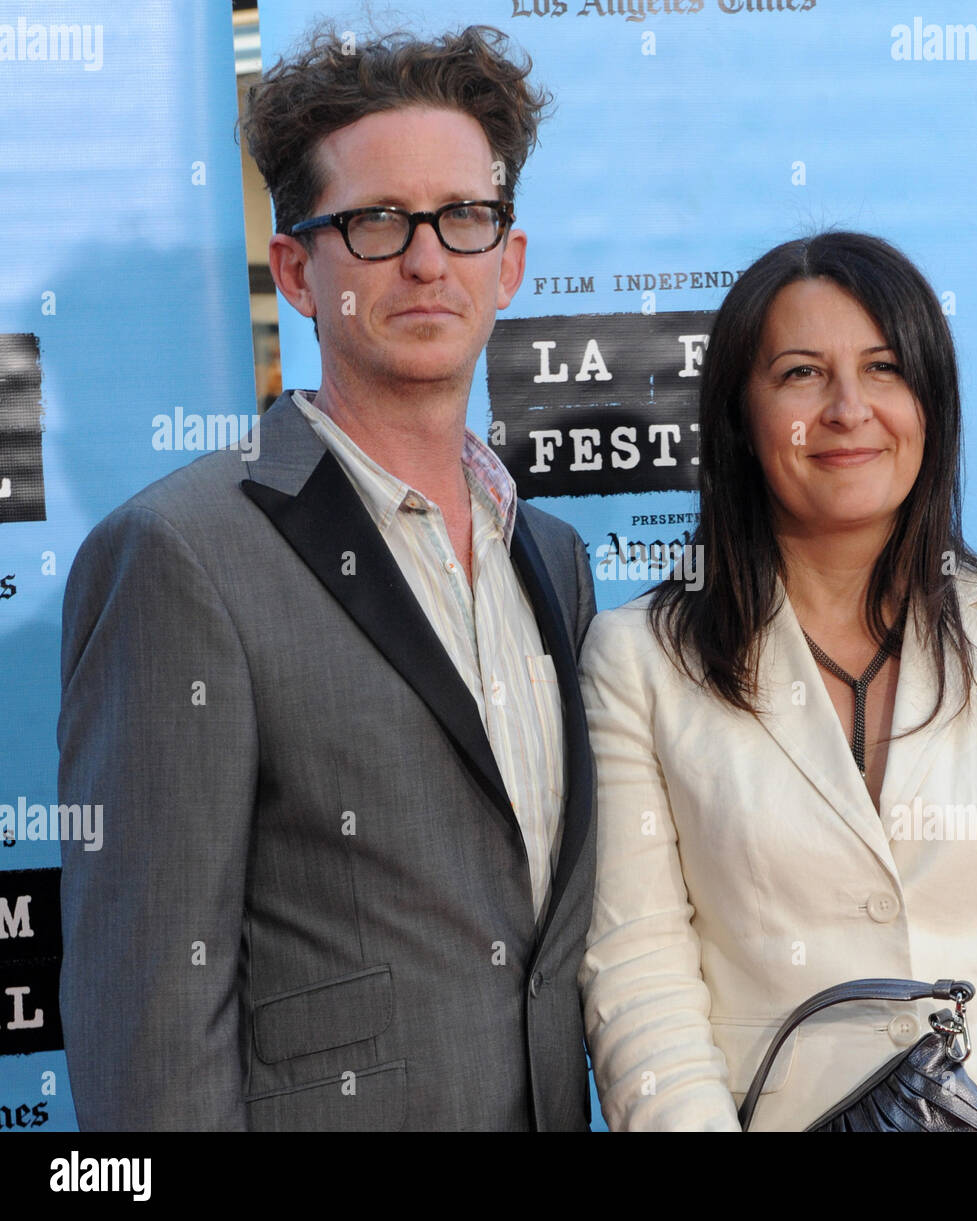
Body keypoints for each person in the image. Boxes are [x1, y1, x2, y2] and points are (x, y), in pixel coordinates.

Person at [58, 24, 596, 1131]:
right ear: (299, 273)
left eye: (463, 216)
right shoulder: (182, 554)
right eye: (376, 222)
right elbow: (147, 1014)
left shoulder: (554, 560)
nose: (426, 258)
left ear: (511, 260)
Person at [577, 231, 977, 1131]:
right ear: (740, 415)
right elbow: (637, 969)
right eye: (800, 374)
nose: (849, 408)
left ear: (930, 402)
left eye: (885, 367)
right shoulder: (639, 662)